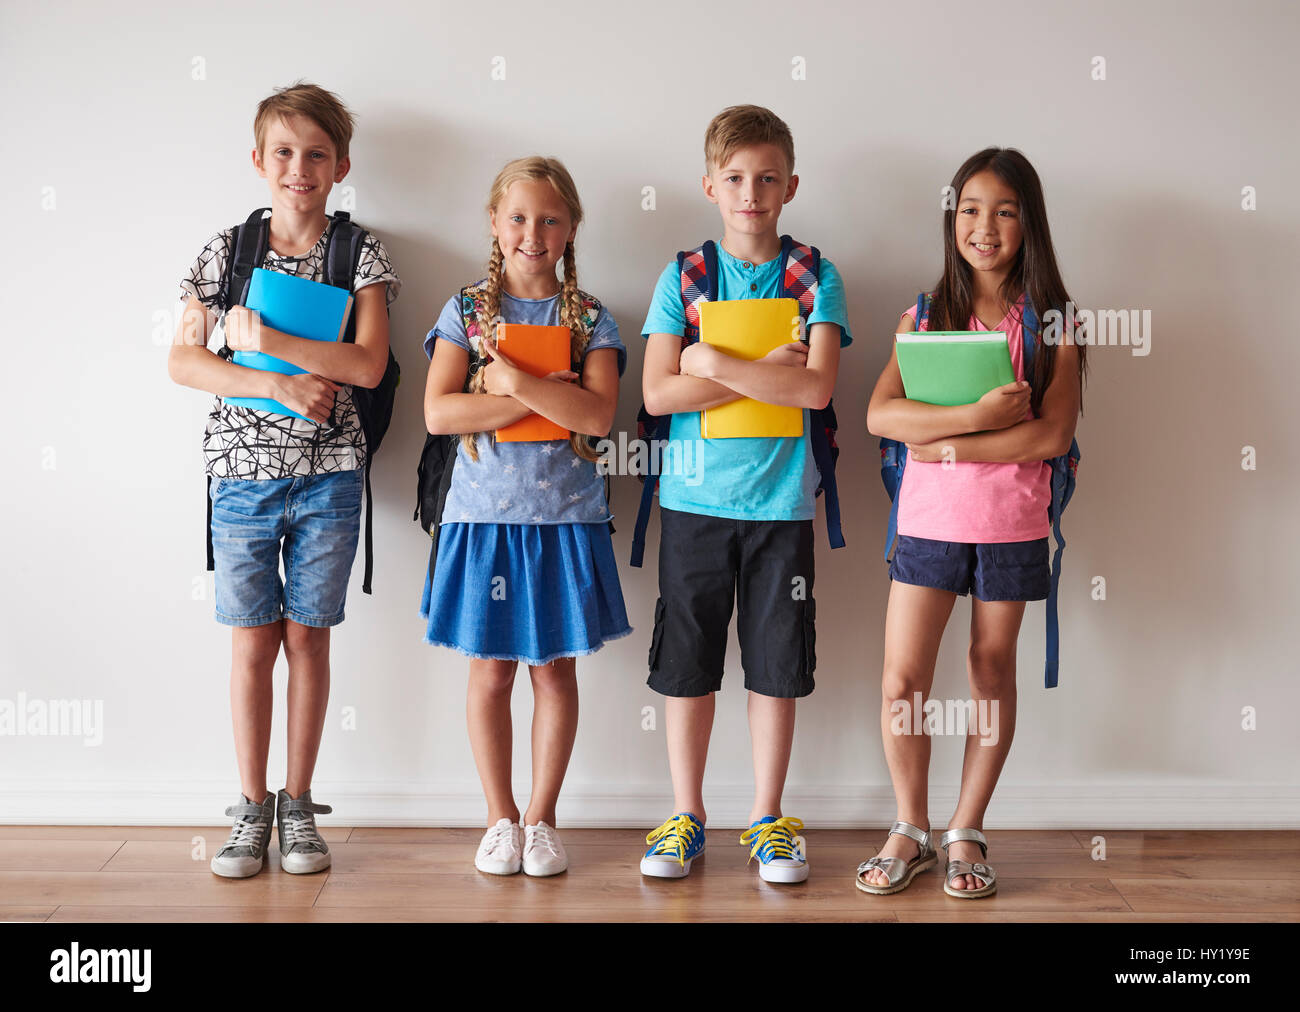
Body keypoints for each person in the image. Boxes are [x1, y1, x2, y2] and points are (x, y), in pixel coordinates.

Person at [169, 81, 400, 878]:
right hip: (240, 477)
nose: (299, 167)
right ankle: (250, 807)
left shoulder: (358, 253)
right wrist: (272, 382)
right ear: (259, 160)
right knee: (252, 640)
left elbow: (367, 364)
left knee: (308, 636)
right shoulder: (225, 252)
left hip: (330, 476)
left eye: (317, 154)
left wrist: (269, 340)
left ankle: (298, 805)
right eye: (285, 152)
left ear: (341, 166)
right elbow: (184, 360)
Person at [860, 147, 1085, 897]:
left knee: (990, 671)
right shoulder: (925, 315)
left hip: (1012, 524)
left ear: (1029, 223)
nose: (984, 227)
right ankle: (910, 826)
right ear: (951, 218)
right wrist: (980, 417)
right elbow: (881, 415)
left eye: (1005, 212)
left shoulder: (1055, 322)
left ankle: (966, 829)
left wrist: (943, 441)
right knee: (902, 679)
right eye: (970, 210)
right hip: (928, 521)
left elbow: (1052, 436)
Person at [638, 105, 852, 883]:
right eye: (734, 178)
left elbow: (816, 388)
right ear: (709, 186)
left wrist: (711, 362)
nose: (750, 192)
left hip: (781, 507)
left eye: (766, 178)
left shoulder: (816, 277)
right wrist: (764, 372)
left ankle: (768, 819)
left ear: (790, 186)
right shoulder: (683, 276)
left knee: (775, 664)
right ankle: (685, 816)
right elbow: (658, 395)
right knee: (687, 664)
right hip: (692, 505)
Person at [421, 156, 631, 877]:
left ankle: (542, 819)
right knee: (490, 675)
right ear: (494, 223)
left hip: (565, 521)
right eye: (517, 217)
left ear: (571, 229)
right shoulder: (467, 312)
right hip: (482, 521)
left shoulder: (590, 318)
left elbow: (595, 417)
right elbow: (440, 412)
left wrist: (508, 380)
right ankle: (499, 818)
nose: (532, 234)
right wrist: (533, 391)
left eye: (549, 220)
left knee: (553, 674)